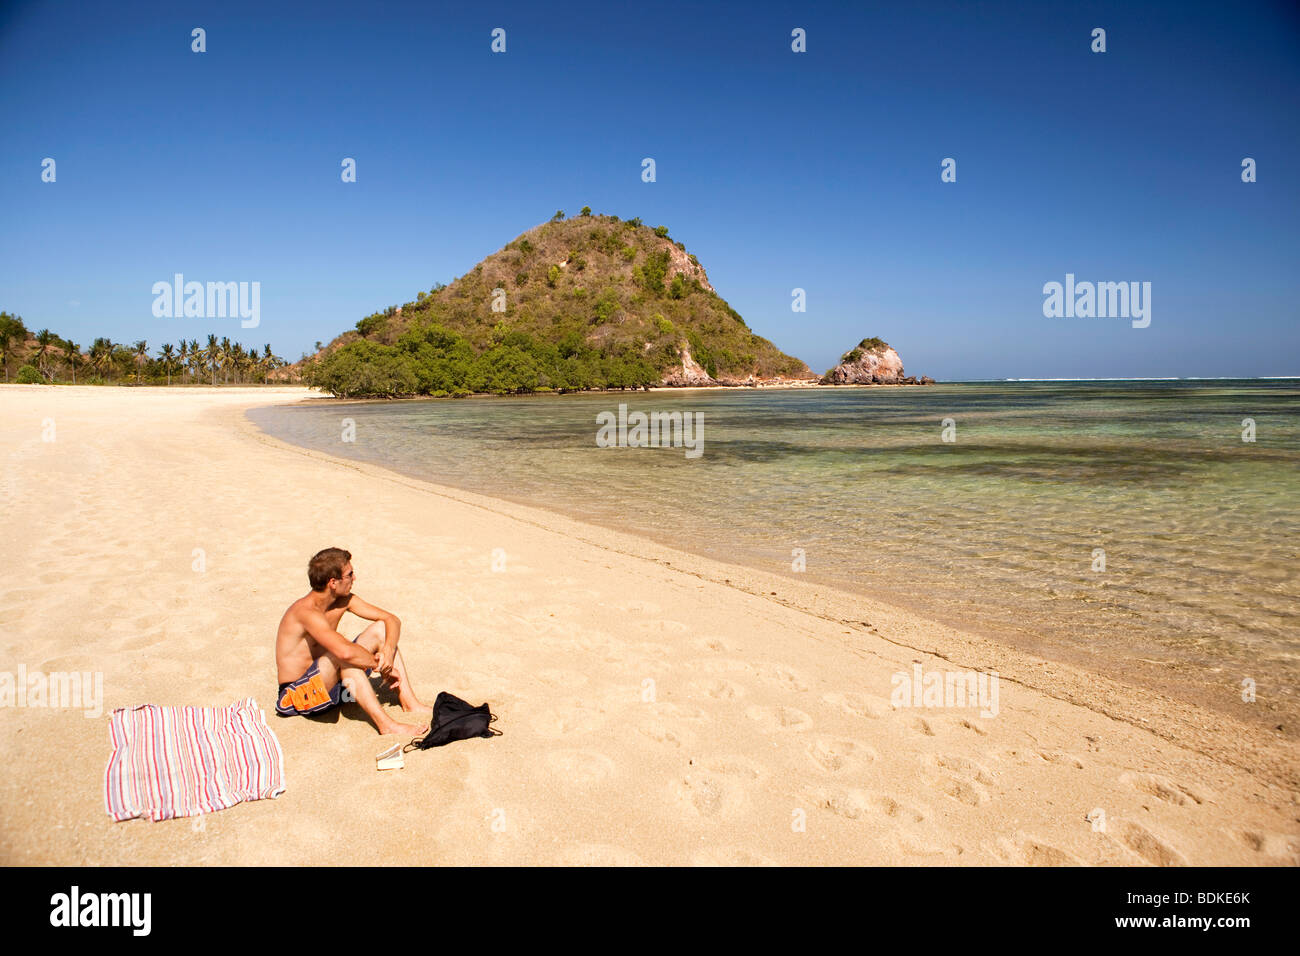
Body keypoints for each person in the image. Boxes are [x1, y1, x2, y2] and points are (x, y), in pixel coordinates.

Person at [274, 547, 431, 736]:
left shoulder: (343, 600)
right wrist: (381, 666)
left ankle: (410, 703)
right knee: (344, 655)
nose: (354, 578)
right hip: (299, 697)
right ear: (333, 582)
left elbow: (392, 620)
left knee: (380, 629)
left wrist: (388, 653)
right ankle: (387, 725)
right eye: (349, 574)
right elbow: (345, 653)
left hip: (334, 688)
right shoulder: (306, 612)